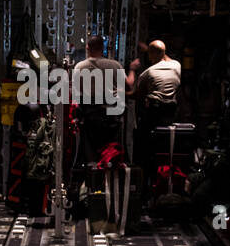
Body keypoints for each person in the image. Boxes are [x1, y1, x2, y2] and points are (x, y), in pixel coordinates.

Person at [133, 39, 182, 179]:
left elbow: (137, 95)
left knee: (143, 142)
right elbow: (164, 56)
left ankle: (145, 171)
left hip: (154, 113)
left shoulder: (148, 73)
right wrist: (151, 50)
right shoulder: (176, 66)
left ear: (152, 54)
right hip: (170, 113)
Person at [73, 35, 124, 163]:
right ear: (103, 48)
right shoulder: (115, 65)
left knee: (91, 153)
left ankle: (93, 176)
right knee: (111, 151)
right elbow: (123, 89)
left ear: (87, 48)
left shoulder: (80, 66)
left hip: (91, 116)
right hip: (111, 116)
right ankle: (109, 176)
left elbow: (76, 93)